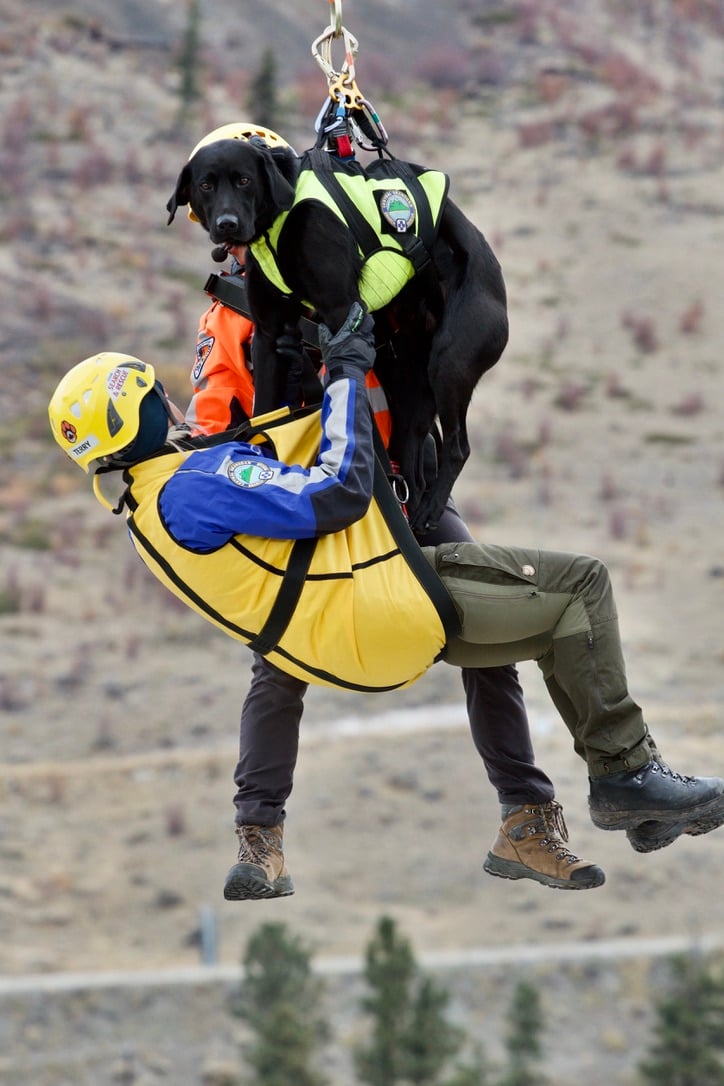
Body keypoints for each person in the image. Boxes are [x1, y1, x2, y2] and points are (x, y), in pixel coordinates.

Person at [48, 313, 724, 901]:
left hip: (333, 647)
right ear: (138, 412)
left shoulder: (146, 514)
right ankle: (626, 775)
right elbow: (338, 490)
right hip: (383, 598)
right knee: (582, 586)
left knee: (543, 625)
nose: (174, 403)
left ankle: (618, 804)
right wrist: (345, 371)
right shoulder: (194, 485)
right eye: (156, 396)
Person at [178, 121, 607, 897]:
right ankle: (260, 838)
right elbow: (212, 427)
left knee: (490, 625)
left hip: (393, 486)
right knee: (280, 659)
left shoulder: (341, 258)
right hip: (309, 499)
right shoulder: (237, 314)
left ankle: (528, 820)